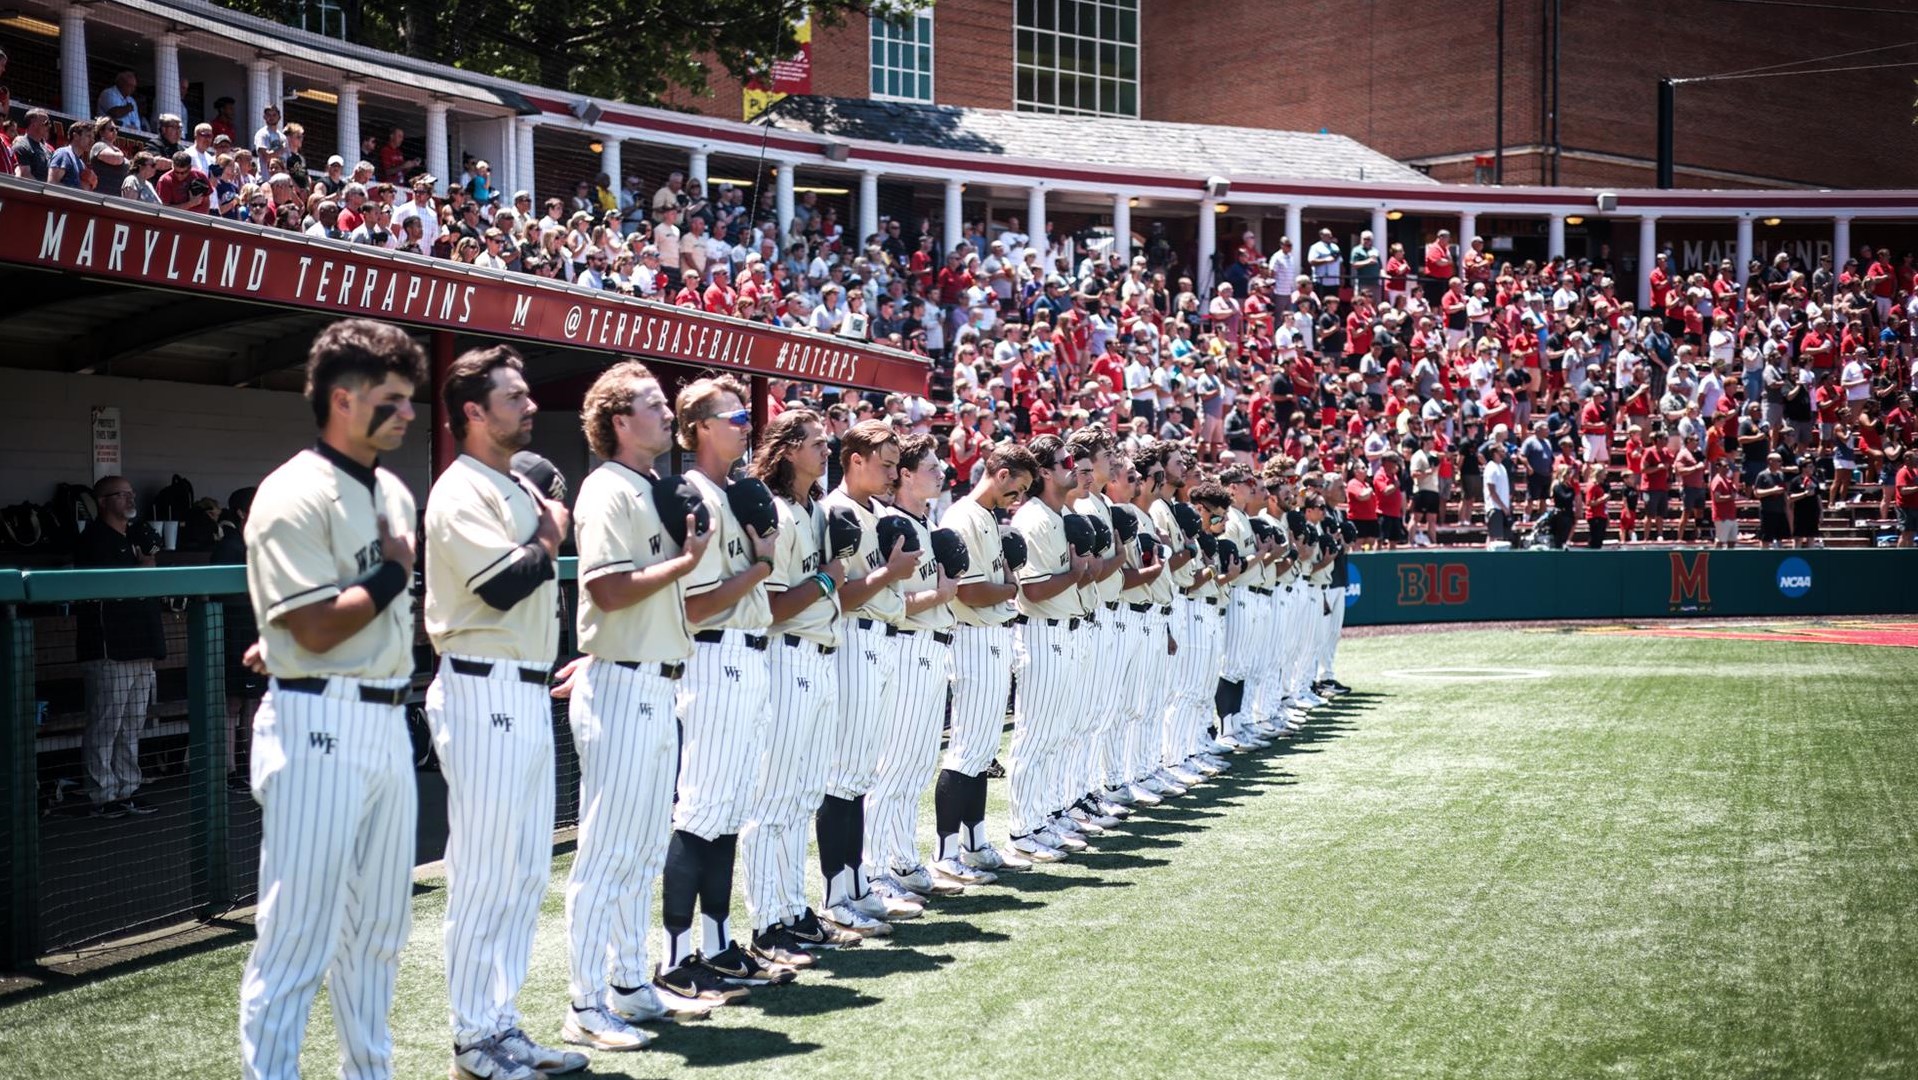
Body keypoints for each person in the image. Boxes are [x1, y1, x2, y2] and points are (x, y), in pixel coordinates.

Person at [237, 319, 426, 1080]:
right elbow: (314, 628)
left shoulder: (392, 490)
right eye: (392, 399)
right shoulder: (294, 491)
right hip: (317, 715)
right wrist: (390, 573)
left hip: (385, 715)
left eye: (410, 398)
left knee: (380, 929)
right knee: (299, 934)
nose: (408, 413)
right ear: (342, 401)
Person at [418, 347, 586, 1078]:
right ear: (473, 415)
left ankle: (502, 1024)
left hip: (521, 689)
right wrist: (552, 527)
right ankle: (472, 1039)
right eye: (513, 398)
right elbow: (505, 584)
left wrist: (543, 521)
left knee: (521, 873)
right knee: (485, 873)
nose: (529, 407)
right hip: (479, 684)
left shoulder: (509, 484)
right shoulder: (462, 489)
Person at [560, 361, 721, 1053]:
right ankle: (584, 1003)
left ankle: (628, 982)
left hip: (656, 681)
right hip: (623, 684)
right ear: (620, 421)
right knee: (605, 854)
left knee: (643, 848)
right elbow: (607, 590)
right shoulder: (607, 488)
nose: (665, 415)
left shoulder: (653, 487)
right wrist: (685, 565)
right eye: (653, 405)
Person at [654, 375, 793, 1000]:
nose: (745, 427)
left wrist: (759, 561)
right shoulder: (691, 494)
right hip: (711, 660)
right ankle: (675, 954)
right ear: (700, 427)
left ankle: (716, 942)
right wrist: (761, 565)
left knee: (730, 809)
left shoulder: (736, 493)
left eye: (744, 418)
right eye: (734, 418)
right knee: (702, 809)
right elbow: (696, 605)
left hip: (749, 656)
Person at [738, 410, 865, 964]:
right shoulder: (777, 512)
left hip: (821, 657)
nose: (825, 450)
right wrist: (829, 576)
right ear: (788, 449)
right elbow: (769, 608)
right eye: (815, 443)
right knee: (774, 800)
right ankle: (768, 925)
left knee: (802, 796)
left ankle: (793, 910)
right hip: (785, 658)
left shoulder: (815, 509)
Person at [817, 421, 923, 934]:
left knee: (859, 774)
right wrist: (889, 574)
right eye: (883, 462)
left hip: (879, 638)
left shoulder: (878, 511)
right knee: (843, 776)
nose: (891, 472)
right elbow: (836, 595)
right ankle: (837, 894)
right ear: (854, 458)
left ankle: (857, 882)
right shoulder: (835, 510)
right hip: (849, 638)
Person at [72, 475, 164, 818]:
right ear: (103, 502)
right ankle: (102, 793)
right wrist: (141, 570)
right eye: (120, 495)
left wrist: (148, 563)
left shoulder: (136, 536)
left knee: (133, 723)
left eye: (131, 493)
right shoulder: (94, 539)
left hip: (143, 643)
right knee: (106, 724)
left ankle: (128, 787)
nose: (129, 499)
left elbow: (151, 573)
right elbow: (111, 589)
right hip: (110, 647)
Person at [1752, 451, 1791, 548]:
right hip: (1767, 511)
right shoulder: (1762, 475)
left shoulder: (1781, 475)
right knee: (1766, 538)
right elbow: (1757, 493)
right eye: (1778, 461)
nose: (1780, 463)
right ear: (1770, 462)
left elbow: (1784, 491)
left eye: (1781, 461)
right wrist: (1772, 491)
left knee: (1780, 537)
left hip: (1780, 511)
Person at [1483, 443, 1512, 544]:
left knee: (1501, 538)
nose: (1504, 451)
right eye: (1501, 450)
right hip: (1495, 508)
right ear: (1495, 453)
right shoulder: (1491, 467)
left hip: (1503, 508)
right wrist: (1503, 507)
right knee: (1493, 537)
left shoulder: (1502, 467)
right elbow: (1492, 491)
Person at [1709, 457, 1741, 548]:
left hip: (1731, 516)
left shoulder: (1727, 480)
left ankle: (1729, 560)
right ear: (1718, 467)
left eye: (1727, 466)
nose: (1727, 468)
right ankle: (1716, 559)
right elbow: (1717, 498)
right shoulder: (1717, 481)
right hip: (1722, 516)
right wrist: (1730, 497)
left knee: (1732, 541)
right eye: (1724, 466)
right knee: (1720, 540)